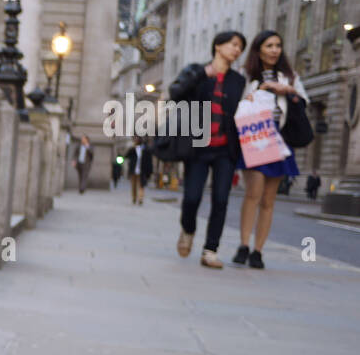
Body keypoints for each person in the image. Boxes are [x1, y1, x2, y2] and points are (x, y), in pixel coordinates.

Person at [168, 30, 247, 268]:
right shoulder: (196, 70)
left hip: (226, 149)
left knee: (221, 200)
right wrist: (201, 75)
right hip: (198, 147)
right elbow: (175, 93)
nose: (237, 50)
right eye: (233, 44)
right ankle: (188, 228)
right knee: (192, 198)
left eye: (240, 47)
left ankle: (210, 250)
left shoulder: (238, 81)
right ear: (218, 46)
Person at [231, 31, 308, 269]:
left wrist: (289, 91)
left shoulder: (290, 77)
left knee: (268, 199)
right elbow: (237, 104)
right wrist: (261, 89)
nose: (274, 50)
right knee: (253, 192)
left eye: (278, 45)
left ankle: (258, 251)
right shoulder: (246, 75)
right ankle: (243, 245)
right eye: (269, 45)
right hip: (254, 135)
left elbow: (305, 101)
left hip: (279, 137)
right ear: (259, 49)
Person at [123, 135, 152, 204]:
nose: (136, 140)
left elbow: (149, 161)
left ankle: (140, 198)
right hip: (133, 170)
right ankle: (134, 198)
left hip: (142, 170)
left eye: (137, 139)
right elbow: (126, 156)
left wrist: (149, 171)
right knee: (133, 185)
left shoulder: (145, 149)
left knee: (141, 185)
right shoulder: (133, 149)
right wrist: (133, 147)